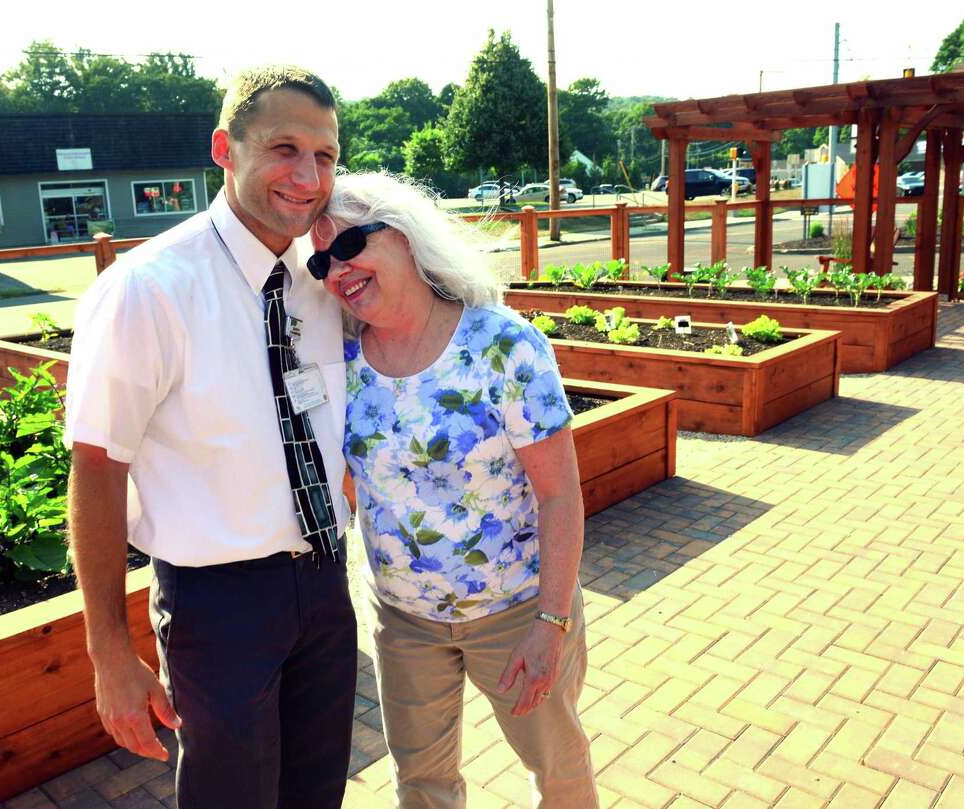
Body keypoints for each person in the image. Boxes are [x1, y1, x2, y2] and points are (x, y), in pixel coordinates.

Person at [64, 65, 355, 808]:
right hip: (217, 605)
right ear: (225, 148)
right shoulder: (148, 288)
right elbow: (97, 466)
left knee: (317, 791)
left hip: (325, 581)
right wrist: (108, 651)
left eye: (325, 156)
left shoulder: (325, 278)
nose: (308, 175)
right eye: (284, 149)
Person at [310, 171, 599, 809]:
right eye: (321, 258)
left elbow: (560, 496)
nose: (336, 269)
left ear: (405, 235)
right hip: (403, 618)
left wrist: (550, 623)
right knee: (420, 785)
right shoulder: (341, 360)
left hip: (518, 610)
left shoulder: (504, 345)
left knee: (558, 769)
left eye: (350, 243)